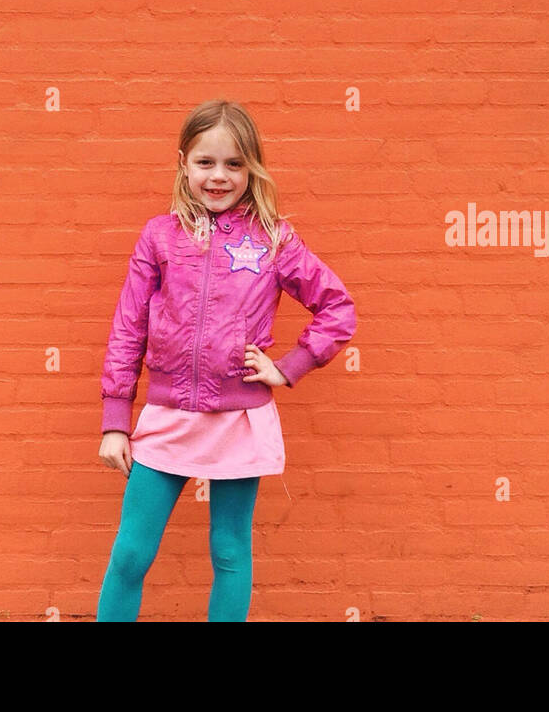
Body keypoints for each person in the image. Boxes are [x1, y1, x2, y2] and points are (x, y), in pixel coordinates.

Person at [95, 99, 357, 621]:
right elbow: (128, 328)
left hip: (240, 419)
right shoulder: (158, 236)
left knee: (231, 553)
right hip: (167, 418)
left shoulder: (275, 239)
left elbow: (337, 308)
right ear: (183, 164)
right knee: (131, 554)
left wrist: (289, 366)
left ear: (253, 167)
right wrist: (115, 421)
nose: (219, 176)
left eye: (234, 164)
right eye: (205, 162)